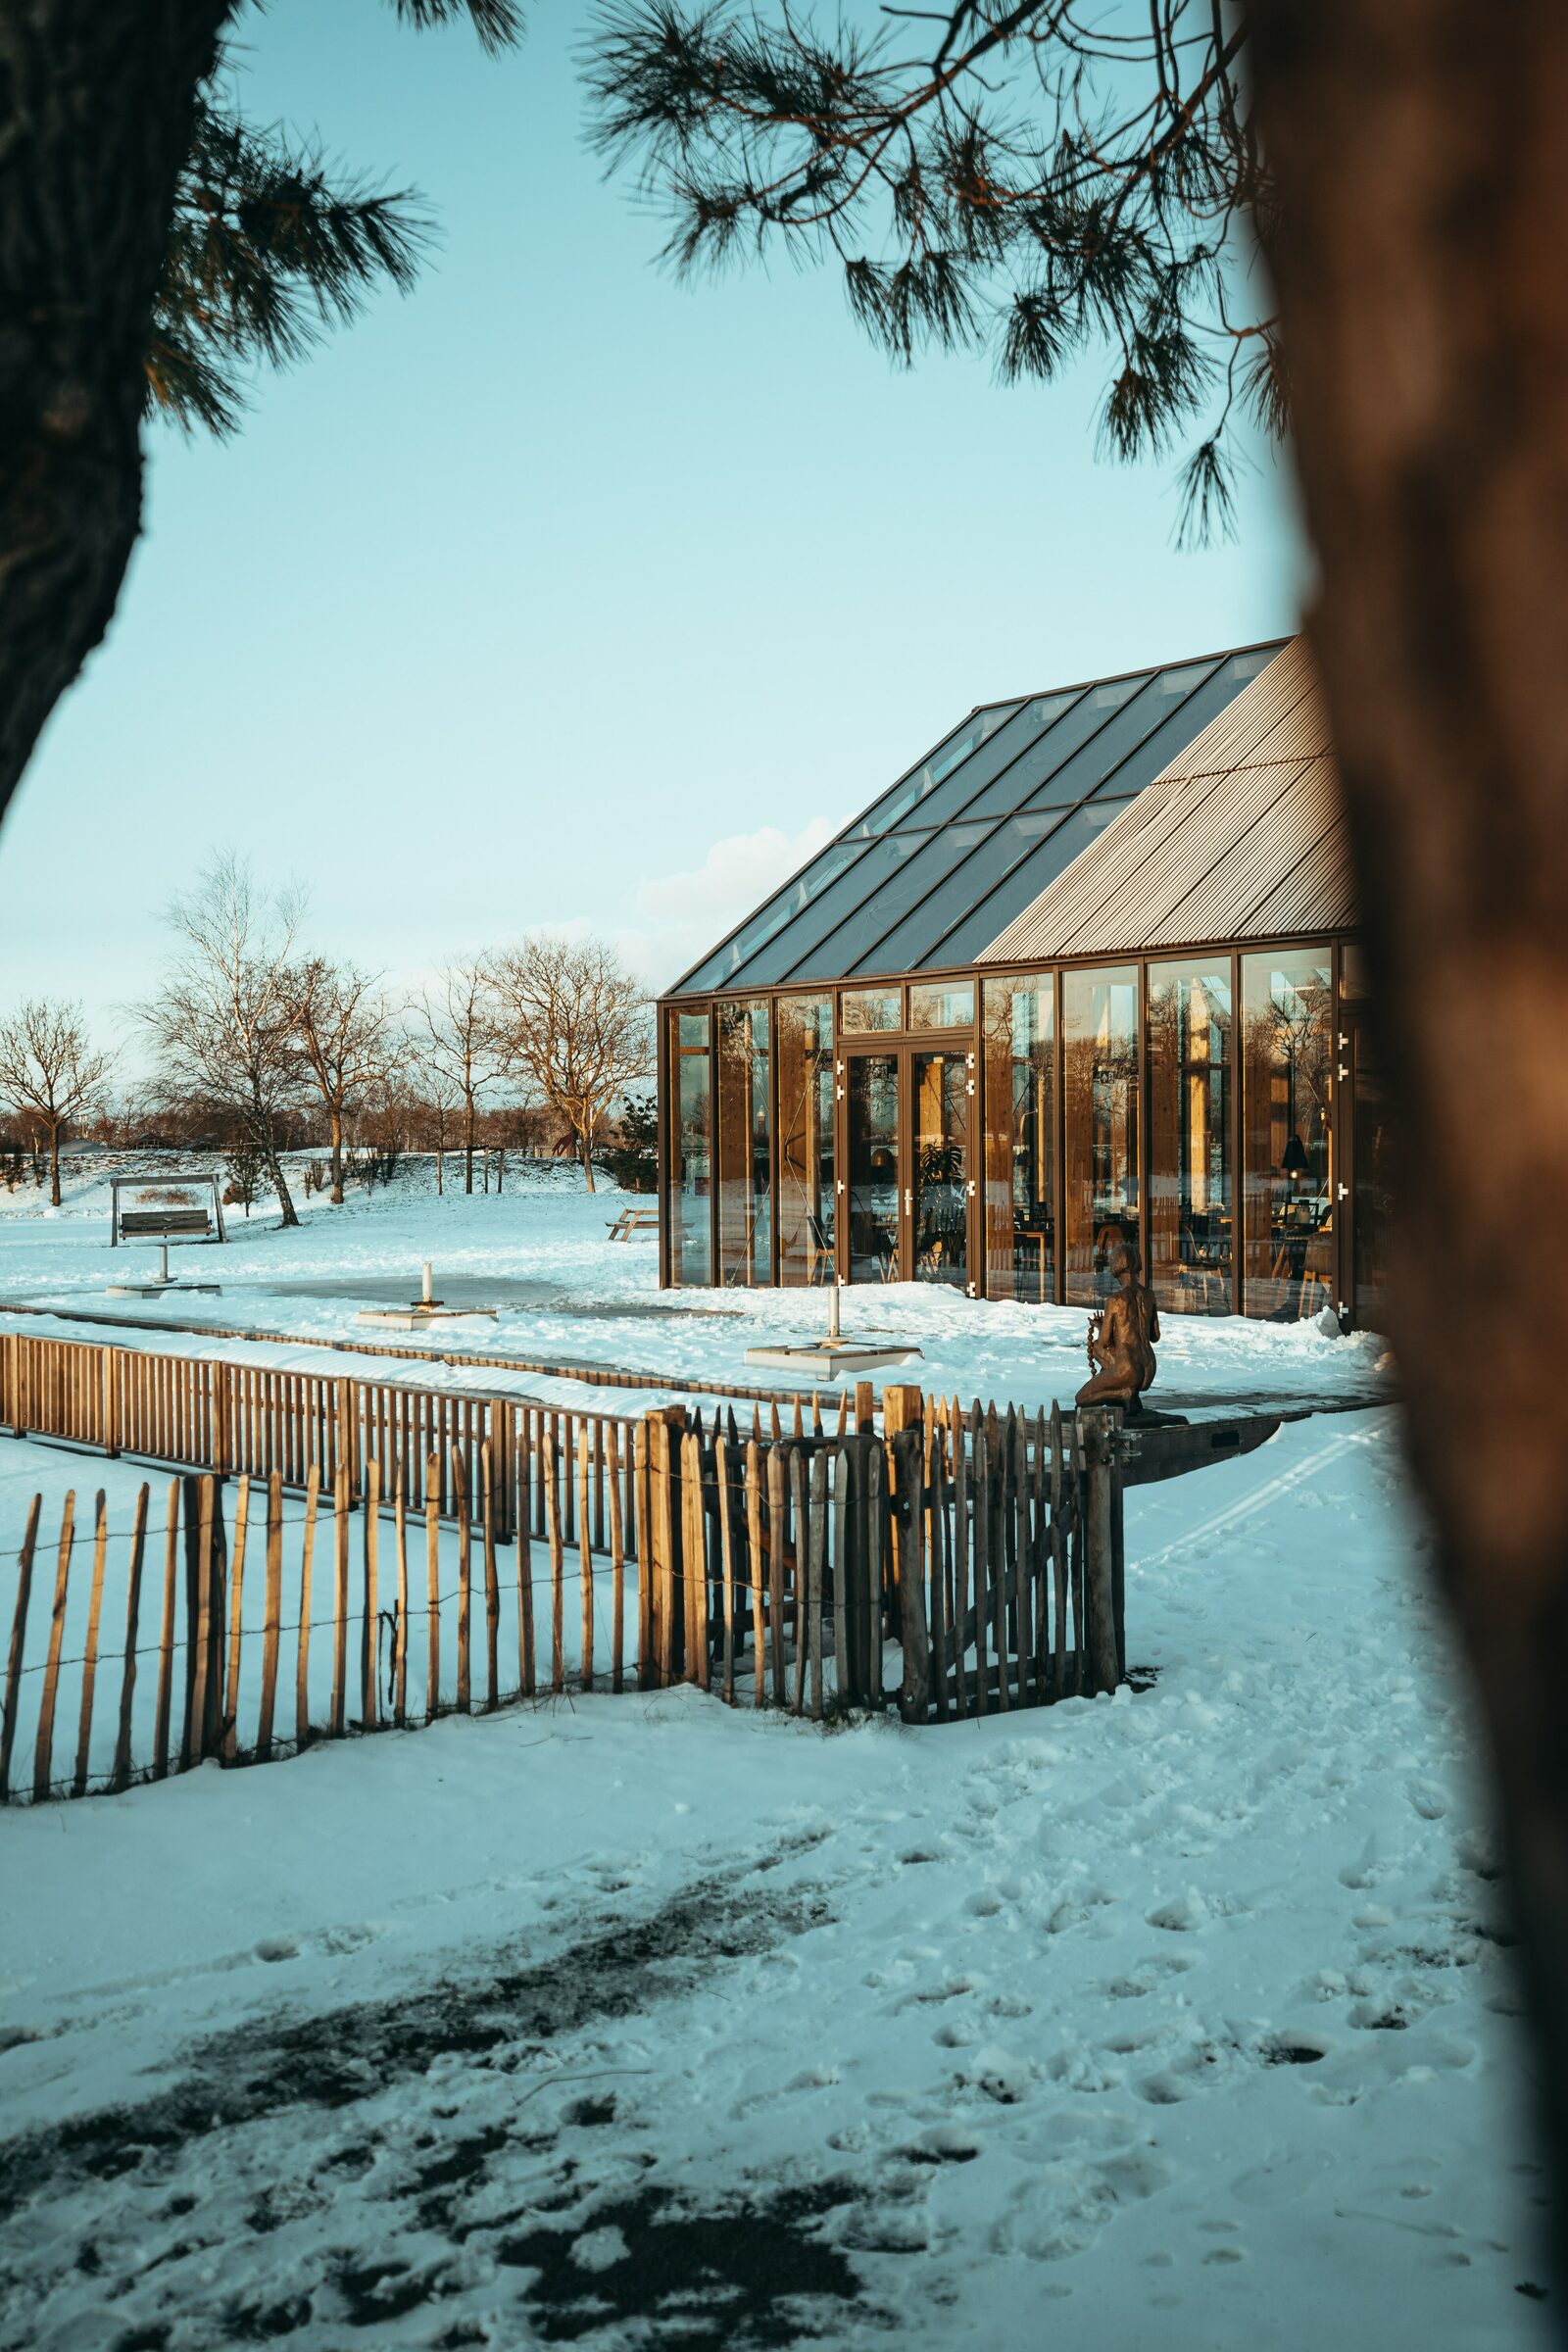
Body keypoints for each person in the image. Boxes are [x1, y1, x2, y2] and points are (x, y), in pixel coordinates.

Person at [1076, 1238, 1159, 1408]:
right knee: (1106, 1356)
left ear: (1115, 1266)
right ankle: (1127, 1394)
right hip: (1149, 1367)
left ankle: (1122, 1393)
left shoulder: (1115, 1300)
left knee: (1081, 1398)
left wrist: (1100, 1326)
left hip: (1128, 1367)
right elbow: (1154, 1336)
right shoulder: (1149, 1295)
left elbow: (1105, 1341)